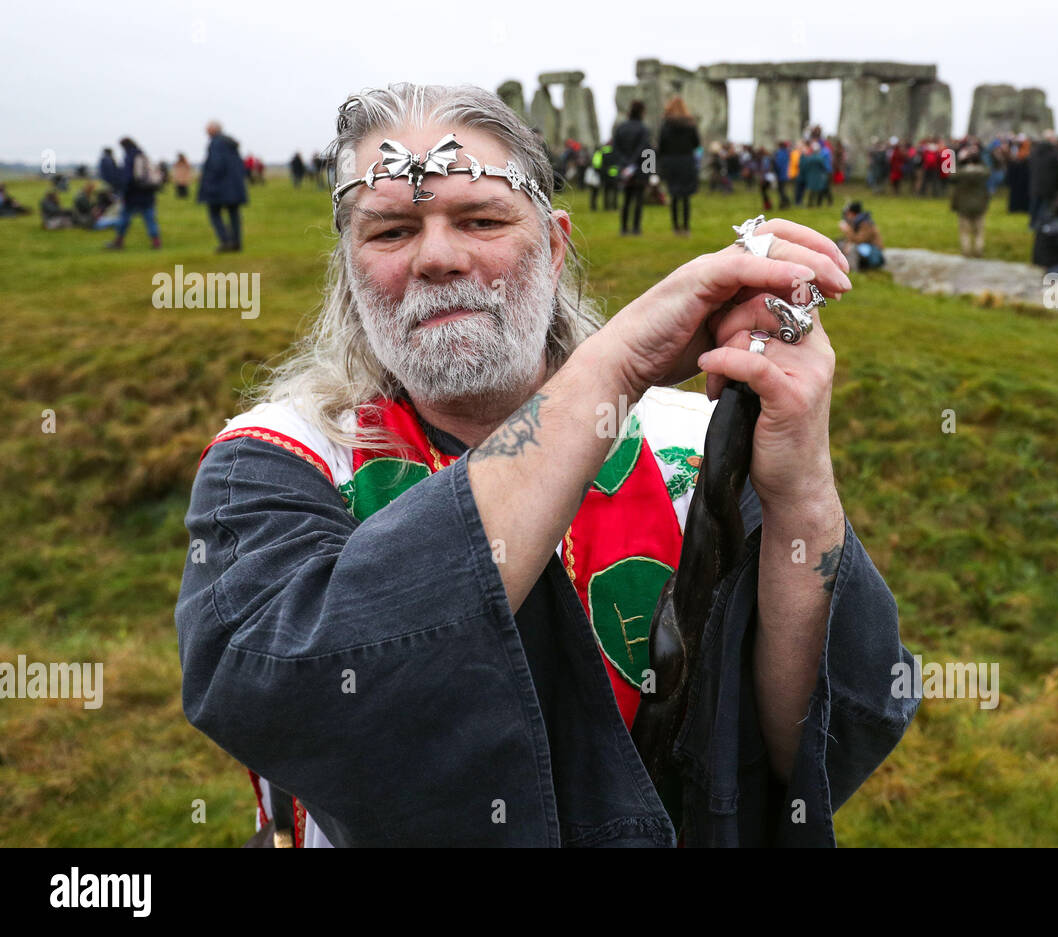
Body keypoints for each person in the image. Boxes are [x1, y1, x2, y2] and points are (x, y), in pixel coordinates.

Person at [174, 81, 916, 848]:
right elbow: (288, 692)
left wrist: (800, 491)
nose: (438, 257)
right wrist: (613, 367)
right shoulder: (278, 460)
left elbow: (814, 741)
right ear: (350, 272)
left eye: (482, 219)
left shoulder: (692, 448)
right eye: (390, 231)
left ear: (555, 245)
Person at [198, 121, 249, 253]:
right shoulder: (230, 143)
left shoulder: (216, 143)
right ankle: (236, 242)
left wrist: (208, 183)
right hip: (234, 186)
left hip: (219, 187)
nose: (206, 132)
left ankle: (226, 241)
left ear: (213, 130)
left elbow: (216, 165)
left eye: (207, 129)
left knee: (214, 213)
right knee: (234, 214)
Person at [105, 137, 161, 250]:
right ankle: (156, 242)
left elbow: (128, 178)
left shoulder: (129, 157)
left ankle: (118, 241)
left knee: (124, 218)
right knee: (150, 219)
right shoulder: (142, 155)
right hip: (147, 194)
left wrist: (123, 192)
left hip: (132, 195)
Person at [656, 96, 700, 237]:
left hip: (671, 162)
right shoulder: (690, 124)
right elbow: (696, 144)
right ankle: (686, 227)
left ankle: (676, 227)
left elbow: (661, 145)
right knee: (685, 196)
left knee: (674, 194)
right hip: (686, 161)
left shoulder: (666, 125)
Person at [612, 100, 651, 236]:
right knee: (638, 200)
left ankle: (623, 228)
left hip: (624, 169)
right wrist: (647, 171)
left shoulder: (621, 128)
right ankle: (636, 228)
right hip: (639, 169)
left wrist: (624, 164)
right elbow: (646, 150)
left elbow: (615, 148)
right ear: (641, 112)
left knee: (626, 199)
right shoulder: (644, 129)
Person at [950, 148, 991, 257]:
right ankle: (978, 250)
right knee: (979, 231)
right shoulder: (983, 173)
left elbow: (951, 175)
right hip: (980, 205)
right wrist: (978, 158)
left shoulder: (960, 173)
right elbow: (988, 170)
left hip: (963, 205)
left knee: (964, 231)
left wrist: (960, 160)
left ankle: (966, 251)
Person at [1027, 131, 1058, 229]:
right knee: (1045, 207)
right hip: (1048, 185)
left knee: (1035, 206)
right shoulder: (1053, 153)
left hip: (1035, 183)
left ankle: (1032, 224)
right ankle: (1041, 225)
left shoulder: (1034, 151)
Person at [838, 200, 885, 270]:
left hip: (872, 249)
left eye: (848, 214)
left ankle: (851, 268)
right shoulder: (856, 221)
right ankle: (843, 265)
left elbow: (860, 240)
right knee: (840, 243)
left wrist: (847, 230)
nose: (846, 216)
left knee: (853, 248)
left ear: (853, 213)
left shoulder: (865, 223)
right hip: (864, 246)